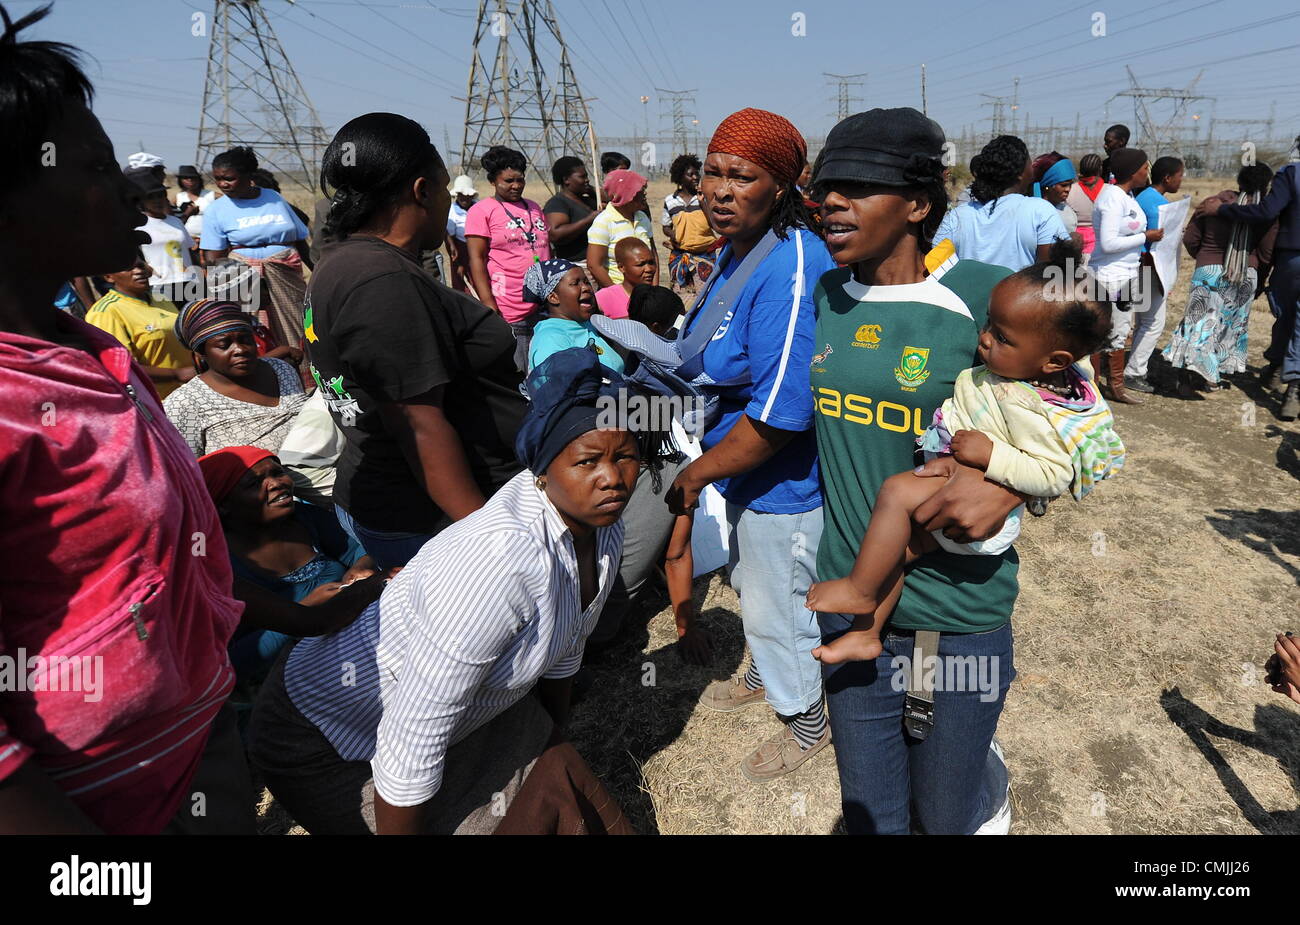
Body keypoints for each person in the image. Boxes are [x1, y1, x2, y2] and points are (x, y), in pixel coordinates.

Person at [0, 3, 248, 833]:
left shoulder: (86, 350)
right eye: (96, 165)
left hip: (192, 749)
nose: (131, 195)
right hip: (97, 809)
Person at [246, 349, 641, 834]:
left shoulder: (603, 528)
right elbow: (410, 739)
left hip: (450, 707)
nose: (612, 479)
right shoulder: (500, 563)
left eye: (625, 457)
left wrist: (551, 737)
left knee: (555, 780)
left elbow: (566, 646)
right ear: (541, 470)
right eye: (587, 461)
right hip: (330, 735)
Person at [809, 106, 1031, 835]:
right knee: (874, 817)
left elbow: (1069, 428)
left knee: (944, 819)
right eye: (825, 185)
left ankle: (980, 784)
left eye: (857, 185)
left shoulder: (983, 294)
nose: (832, 201)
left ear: (918, 202)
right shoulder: (827, 294)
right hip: (854, 608)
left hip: (954, 618)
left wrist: (1007, 484)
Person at [808, 240, 1125, 660]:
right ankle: (866, 634)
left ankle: (858, 591)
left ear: (1055, 360)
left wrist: (990, 455)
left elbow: (1053, 474)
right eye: (990, 324)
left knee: (895, 495)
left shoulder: (1029, 402)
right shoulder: (1015, 373)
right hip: (950, 490)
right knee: (893, 555)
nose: (984, 337)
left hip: (970, 508)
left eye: (1002, 337)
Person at [665, 107, 837, 781]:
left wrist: (696, 474)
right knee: (752, 586)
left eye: (743, 176)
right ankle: (769, 674)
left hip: (780, 481)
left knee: (779, 604)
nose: (719, 190)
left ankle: (807, 721)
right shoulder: (744, 246)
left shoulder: (793, 265)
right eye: (712, 171)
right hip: (742, 470)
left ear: (784, 187)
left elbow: (780, 415)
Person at [307, 113, 526, 570]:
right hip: (429, 519)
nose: (449, 201)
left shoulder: (343, 259)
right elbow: (419, 427)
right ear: (422, 190)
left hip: (392, 498)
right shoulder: (383, 280)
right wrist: (490, 541)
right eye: (445, 188)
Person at [199, 447, 377, 682]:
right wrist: (306, 609)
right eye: (254, 484)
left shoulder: (305, 518)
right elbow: (233, 661)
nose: (276, 483)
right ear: (223, 505)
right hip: (286, 679)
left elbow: (359, 550)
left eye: (277, 472)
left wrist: (360, 568)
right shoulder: (216, 568)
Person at [1204, 136, 1300, 419]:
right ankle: (1292, 385)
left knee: (1285, 316)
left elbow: (1266, 211)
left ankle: (1278, 368)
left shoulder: (1290, 173)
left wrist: (1222, 209)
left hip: (1292, 257)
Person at [1165, 165, 1278, 399]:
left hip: (1208, 270)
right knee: (1227, 326)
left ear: (1239, 180)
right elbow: (1267, 254)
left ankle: (1184, 378)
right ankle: (1210, 374)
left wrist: (1206, 260)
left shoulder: (1211, 203)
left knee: (1197, 323)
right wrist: (1258, 276)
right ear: (1266, 186)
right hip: (1246, 274)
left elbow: (1191, 237)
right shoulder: (1266, 214)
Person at [163, 298, 308, 456]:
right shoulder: (184, 403)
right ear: (201, 352)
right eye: (224, 345)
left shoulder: (281, 369)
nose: (239, 349)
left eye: (245, 340)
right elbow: (189, 468)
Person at [201, 146, 312, 352]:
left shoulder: (273, 198)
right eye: (218, 179)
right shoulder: (216, 210)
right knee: (253, 332)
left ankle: (304, 376)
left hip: (286, 273)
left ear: (248, 176)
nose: (223, 184)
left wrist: (318, 271)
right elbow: (213, 257)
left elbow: (300, 240)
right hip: (243, 278)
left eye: (229, 178)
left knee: (297, 324)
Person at [464, 145, 551, 370]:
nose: (516, 186)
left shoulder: (533, 207)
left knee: (543, 362)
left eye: (520, 180)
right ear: (493, 181)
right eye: (508, 181)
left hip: (543, 301)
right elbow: (476, 258)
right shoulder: (482, 211)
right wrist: (488, 302)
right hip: (509, 302)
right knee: (517, 366)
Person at [1091, 147, 1163, 405]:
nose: (1147, 173)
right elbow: (1109, 243)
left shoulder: (1127, 195)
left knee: (1120, 330)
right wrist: (1146, 237)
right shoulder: (1112, 198)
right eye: (1145, 168)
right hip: (1110, 277)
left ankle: (1112, 386)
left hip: (1127, 273)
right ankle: (1105, 386)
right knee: (1106, 331)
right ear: (1134, 172)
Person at [935, 134, 1068, 271]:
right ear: (1020, 172)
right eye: (1029, 162)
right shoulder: (1040, 211)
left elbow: (934, 266)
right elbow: (1055, 271)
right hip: (1021, 292)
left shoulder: (957, 216)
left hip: (963, 292)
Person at [85, 253, 195, 397]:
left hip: (193, 388)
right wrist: (177, 374)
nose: (138, 271)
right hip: (159, 401)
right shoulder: (105, 313)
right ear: (109, 277)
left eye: (140, 265)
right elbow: (121, 367)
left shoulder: (159, 298)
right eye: (128, 268)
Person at [1124, 156, 1186, 394]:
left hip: (1141, 266)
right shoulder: (1157, 204)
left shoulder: (1145, 197)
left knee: (1142, 321)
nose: (1181, 181)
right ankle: (1134, 372)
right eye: (1180, 176)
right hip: (1150, 267)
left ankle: (1132, 368)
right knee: (1153, 323)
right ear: (1168, 178)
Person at [526, 258, 623, 374]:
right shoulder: (550, 340)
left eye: (586, 282)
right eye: (575, 283)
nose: (586, 288)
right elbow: (562, 387)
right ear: (553, 297)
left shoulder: (588, 323)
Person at [127, 168, 197, 303]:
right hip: (159, 285)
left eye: (160, 195)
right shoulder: (137, 224)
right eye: (150, 197)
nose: (157, 200)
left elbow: (189, 251)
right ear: (141, 201)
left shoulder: (176, 221)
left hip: (189, 282)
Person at [588, 168, 657, 289]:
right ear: (626, 195)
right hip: (619, 289)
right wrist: (618, 295)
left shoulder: (642, 217)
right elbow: (594, 265)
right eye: (640, 192)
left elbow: (653, 255)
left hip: (645, 291)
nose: (644, 195)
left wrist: (654, 289)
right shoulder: (604, 222)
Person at [663, 153, 716, 292]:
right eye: (690, 174)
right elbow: (665, 226)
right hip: (680, 255)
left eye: (697, 173)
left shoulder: (706, 197)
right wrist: (673, 234)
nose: (695, 177)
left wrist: (702, 202)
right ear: (680, 177)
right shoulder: (670, 201)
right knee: (681, 295)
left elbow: (714, 224)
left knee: (705, 295)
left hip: (705, 256)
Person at [544, 156, 598, 263]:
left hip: (597, 261)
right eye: (582, 177)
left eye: (586, 176)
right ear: (566, 180)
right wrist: (589, 220)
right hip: (578, 264)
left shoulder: (588, 200)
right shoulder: (558, 203)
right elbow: (555, 234)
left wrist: (593, 191)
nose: (587, 180)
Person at [594, 236, 657, 318]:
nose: (649, 269)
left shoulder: (659, 298)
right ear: (621, 267)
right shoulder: (603, 298)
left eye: (651, 262)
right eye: (640, 265)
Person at [443, 174, 478, 292]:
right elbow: (449, 237)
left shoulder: (478, 207)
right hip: (461, 249)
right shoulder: (452, 211)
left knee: (478, 276)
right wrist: (457, 261)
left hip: (477, 247)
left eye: (467, 196)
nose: (464, 199)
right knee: (461, 280)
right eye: (461, 196)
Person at [1031, 151, 1078, 235]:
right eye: (1063, 185)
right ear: (1048, 185)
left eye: (1070, 184)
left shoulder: (1067, 211)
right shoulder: (1033, 212)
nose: (1068, 189)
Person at [1068, 153, 1105, 254]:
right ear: (1100, 170)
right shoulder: (1109, 190)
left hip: (1076, 243)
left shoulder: (1070, 190)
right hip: (1101, 241)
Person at [175, 164, 214, 248]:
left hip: (209, 240)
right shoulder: (178, 197)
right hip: (187, 241)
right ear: (180, 181)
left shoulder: (212, 195)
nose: (190, 180)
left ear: (199, 179)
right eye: (185, 178)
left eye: (193, 178)